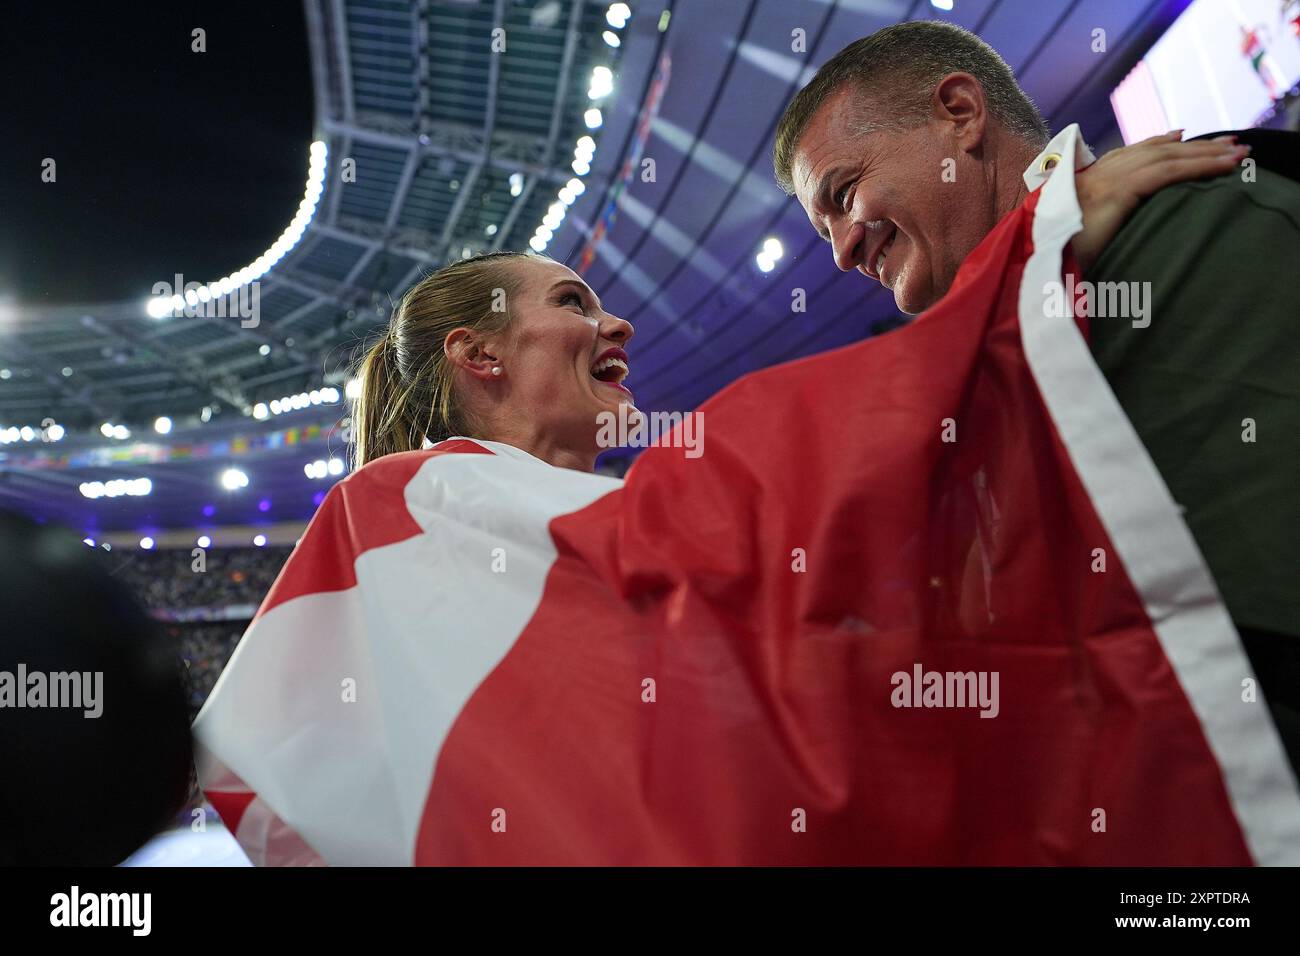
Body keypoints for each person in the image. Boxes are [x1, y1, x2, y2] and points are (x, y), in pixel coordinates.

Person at [773, 19, 1300, 773]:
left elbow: (1239, 664)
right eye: (824, 230)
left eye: (845, 194)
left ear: (960, 113)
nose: (842, 252)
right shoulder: (979, 381)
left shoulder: (1175, 231)